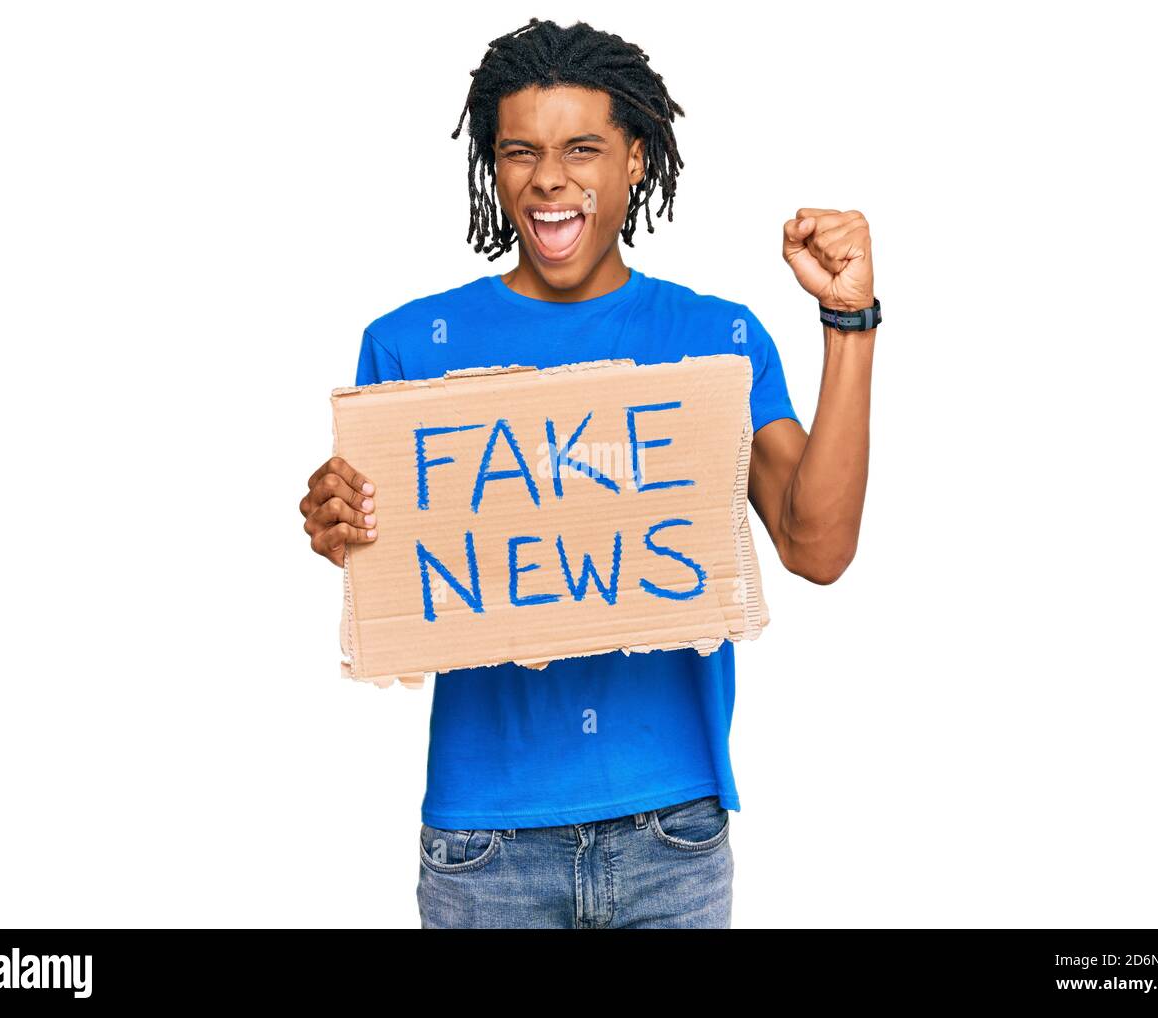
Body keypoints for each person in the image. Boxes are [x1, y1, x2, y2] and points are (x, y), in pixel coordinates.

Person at [298, 18, 877, 928]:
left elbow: (818, 545)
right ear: (495, 167)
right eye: (520, 151)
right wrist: (340, 523)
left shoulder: (711, 343)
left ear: (637, 159)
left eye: (582, 148)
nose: (549, 178)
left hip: (671, 837)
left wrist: (850, 325)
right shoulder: (408, 347)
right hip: (483, 845)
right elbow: (398, 560)